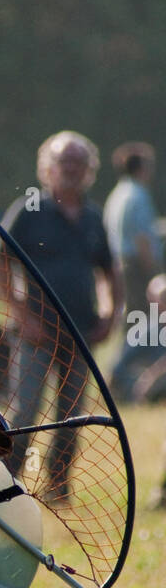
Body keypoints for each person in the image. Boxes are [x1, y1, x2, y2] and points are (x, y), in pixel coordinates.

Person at [0, 131, 121, 499]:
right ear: (47, 168)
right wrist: (21, 314)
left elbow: (110, 270)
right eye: (64, 161)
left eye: (79, 162)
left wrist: (110, 315)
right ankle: (5, 486)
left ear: (90, 170)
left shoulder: (94, 215)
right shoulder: (28, 210)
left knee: (72, 417)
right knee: (24, 413)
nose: (72, 169)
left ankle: (57, 486)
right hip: (35, 333)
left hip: (81, 334)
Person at [103, 143, 164, 401]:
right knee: (145, 323)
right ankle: (131, 385)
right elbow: (141, 239)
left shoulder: (117, 194)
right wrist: (155, 272)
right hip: (137, 267)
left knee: (134, 323)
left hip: (121, 265)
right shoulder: (138, 195)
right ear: (141, 167)